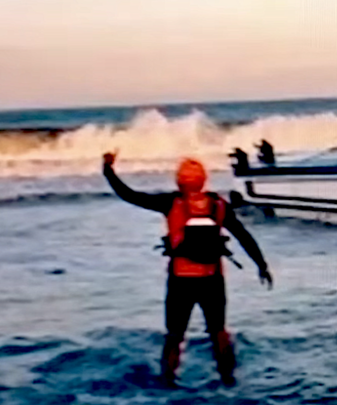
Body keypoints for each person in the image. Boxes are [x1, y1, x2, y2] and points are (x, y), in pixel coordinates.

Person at [102, 151, 273, 387]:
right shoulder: (219, 205)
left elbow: (128, 195)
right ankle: (228, 379)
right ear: (203, 180)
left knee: (175, 334)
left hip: (181, 281)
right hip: (212, 279)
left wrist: (108, 169)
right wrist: (261, 265)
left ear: (179, 181)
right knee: (219, 332)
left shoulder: (170, 203)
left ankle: (168, 380)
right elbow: (244, 236)